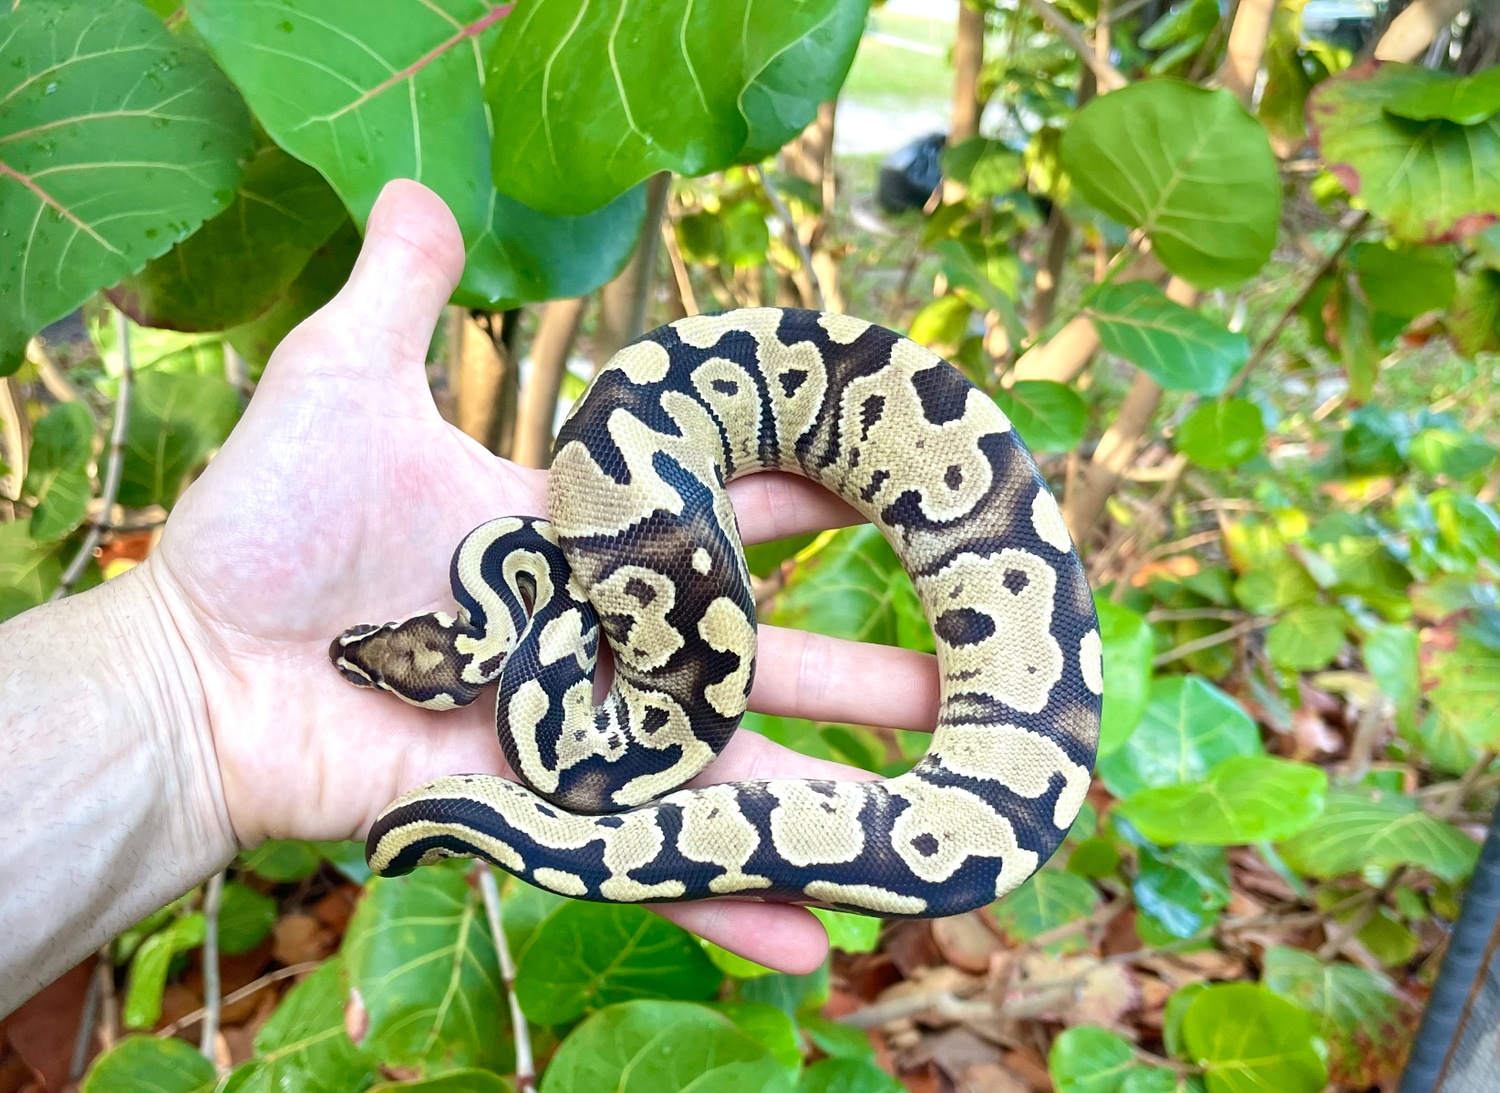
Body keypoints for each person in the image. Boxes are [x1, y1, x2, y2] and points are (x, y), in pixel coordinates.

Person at [0, 181, 942, 1017]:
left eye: (376, 652)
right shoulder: (527, 623)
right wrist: (186, 670)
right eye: (386, 664)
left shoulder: (536, 631)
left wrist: (181, 680)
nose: (359, 655)